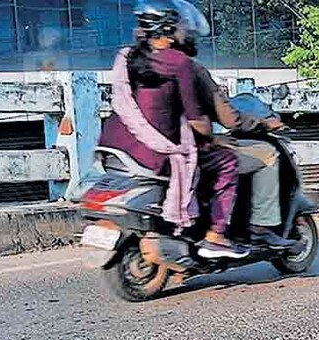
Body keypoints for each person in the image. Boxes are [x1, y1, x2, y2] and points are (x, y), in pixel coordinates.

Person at [97, 0, 247, 259]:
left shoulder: (127, 56)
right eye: (179, 25)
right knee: (225, 162)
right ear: (168, 28)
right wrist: (215, 140)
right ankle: (215, 236)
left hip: (114, 146)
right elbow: (195, 118)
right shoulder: (179, 62)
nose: (183, 30)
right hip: (155, 152)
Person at [170, 7, 295, 250]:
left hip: (158, 148)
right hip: (191, 150)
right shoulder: (191, 69)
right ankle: (259, 227)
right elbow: (230, 119)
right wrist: (262, 123)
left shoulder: (140, 65)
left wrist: (213, 136)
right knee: (268, 155)